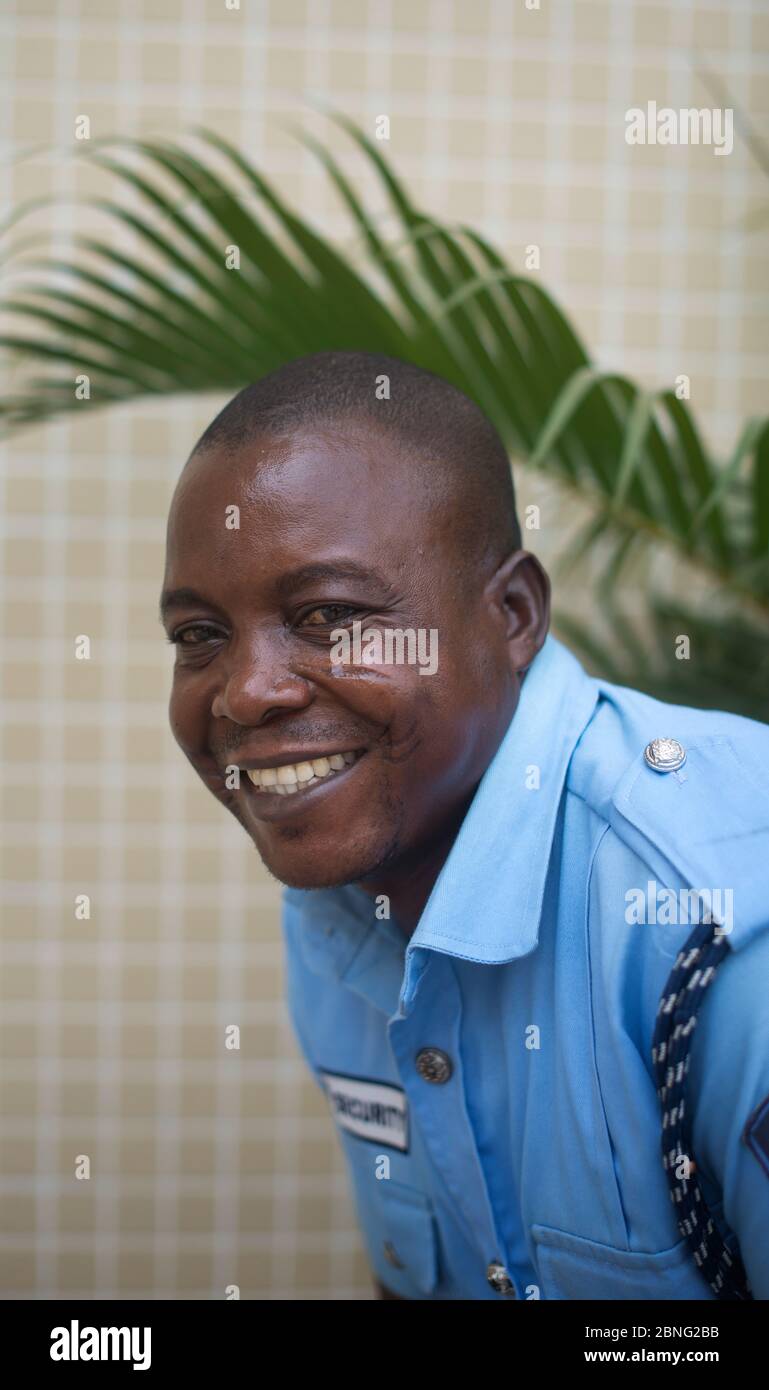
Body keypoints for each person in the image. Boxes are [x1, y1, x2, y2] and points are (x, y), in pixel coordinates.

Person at [160, 350, 769, 1301]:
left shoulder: (719, 930)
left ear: (512, 613)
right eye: (199, 636)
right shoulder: (340, 903)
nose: (244, 693)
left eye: (327, 615)